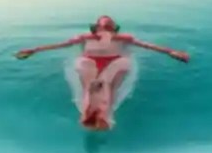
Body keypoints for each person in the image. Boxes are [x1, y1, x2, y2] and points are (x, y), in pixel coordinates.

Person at [15, 15, 189, 130]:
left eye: (108, 22)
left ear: (114, 27)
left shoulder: (123, 38)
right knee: (91, 83)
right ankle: (88, 114)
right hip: (90, 60)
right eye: (102, 22)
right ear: (96, 27)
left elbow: (147, 45)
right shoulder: (85, 37)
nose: (105, 23)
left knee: (106, 83)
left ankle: (103, 115)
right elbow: (62, 44)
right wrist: (34, 49)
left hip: (114, 61)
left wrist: (171, 52)